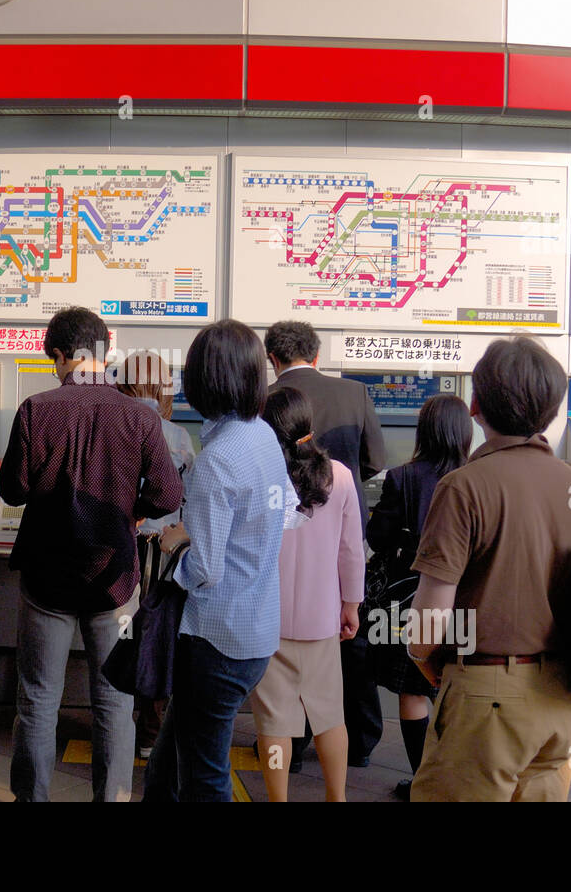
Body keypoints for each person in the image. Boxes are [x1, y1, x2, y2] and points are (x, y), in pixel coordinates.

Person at [0, 308, 183, 802]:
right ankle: (114, 797)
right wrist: (132, 512)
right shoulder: (140, 416)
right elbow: (168, 495)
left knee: (37, 701)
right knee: (115, 702)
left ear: (60, 356)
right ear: (105, 348)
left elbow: (12, 491)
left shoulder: (37, 410)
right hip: (114, 583)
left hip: (46, 579)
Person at [407, 336, 571, 802]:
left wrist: (421, 657)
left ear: (476, 405)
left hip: (485, 697)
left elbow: (432, 609)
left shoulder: (463, 487)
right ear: (552, 411)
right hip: (560, 698)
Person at [146, 320, 299, 802]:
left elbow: (205, 571)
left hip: (216, 639)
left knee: (204, 777)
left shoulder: (218, 458)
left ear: (203, 381)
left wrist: (178, 543)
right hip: (255, 631)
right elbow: (286, 515)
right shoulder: (263, 437)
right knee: (170, 761)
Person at [266, 320, 385, 768]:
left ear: (272, 359)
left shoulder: (266, 401)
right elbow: (374, 459)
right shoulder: (354, 394)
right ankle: (361, 743)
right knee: (350, 643)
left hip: (283, 541)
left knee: (284, 652)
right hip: (341, 524)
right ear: (316, 355)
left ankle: (289, 750)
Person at [250, 386, 363, 802]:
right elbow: (351, 551)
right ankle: (337, 796)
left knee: (274, 723)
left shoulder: (259, 476)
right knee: (330, 716)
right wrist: (351, 605)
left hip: (267, 618)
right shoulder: (341, 478)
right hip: (323, 618)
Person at [364, 393, 472, 801]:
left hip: (414, 601)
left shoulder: (403, 478)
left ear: (424, 430)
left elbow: (378, 538)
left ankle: (423, 782)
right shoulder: (476, 475)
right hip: (466, 599)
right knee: (459, 689)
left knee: (414, 691)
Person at [116, 349, 196, 759]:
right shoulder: (179, 437)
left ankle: (115, 729)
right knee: (156, 641)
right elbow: (190, 500)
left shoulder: (113, 426)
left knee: (119, 635)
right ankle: (150, 735)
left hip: (121, 548)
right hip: (164, 554)